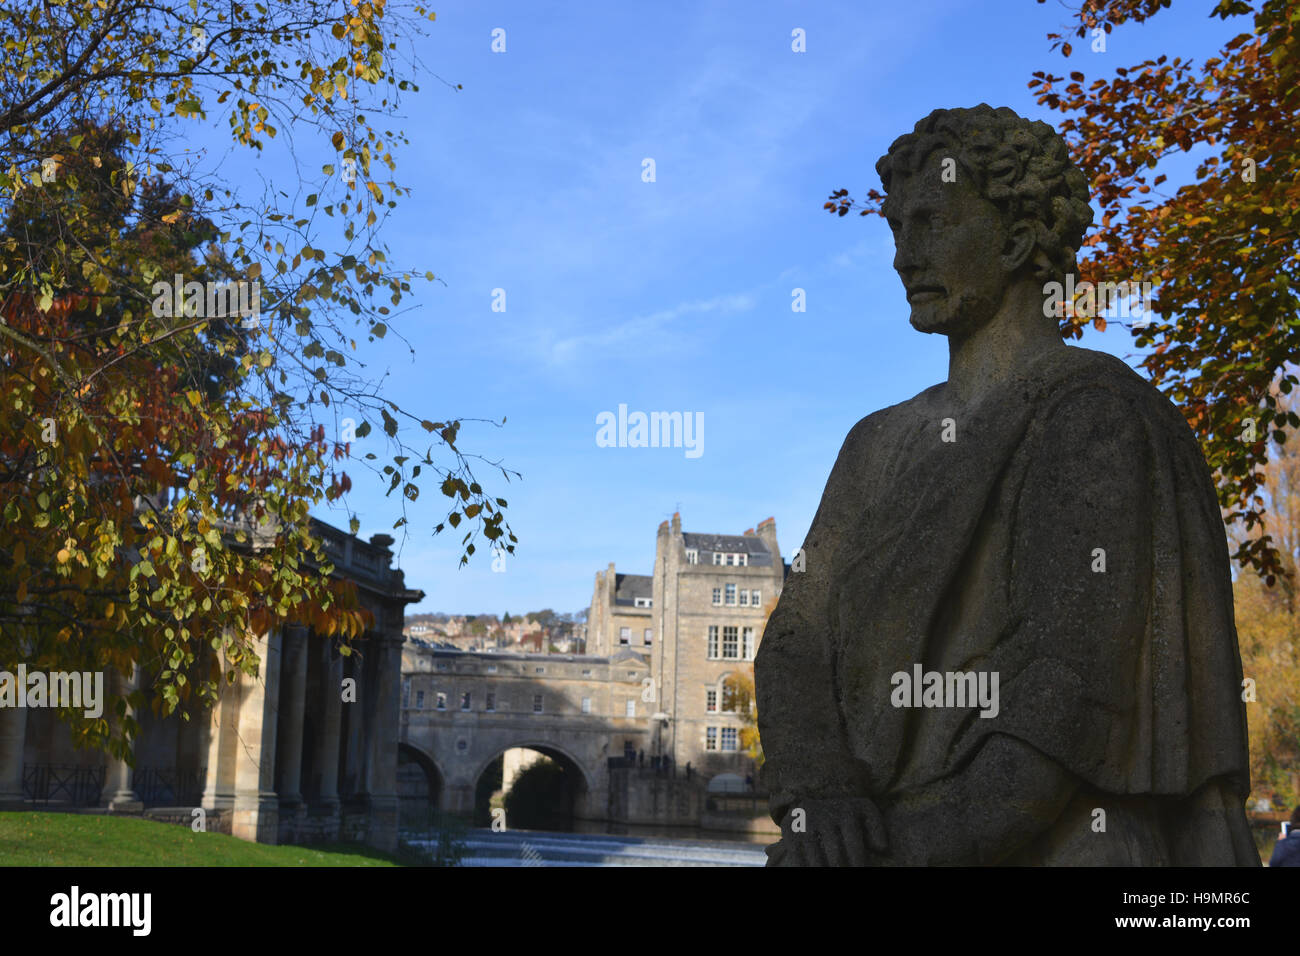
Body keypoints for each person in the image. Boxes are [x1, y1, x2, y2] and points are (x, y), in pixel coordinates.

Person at [755, 105, 1257, 867]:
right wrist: (819, 789)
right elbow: (795, 639)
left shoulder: (1094, 412)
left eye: (932, 224)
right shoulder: (874, 442)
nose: (903, 255)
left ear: (1019, 238)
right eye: (896, 229)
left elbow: (1069, 685)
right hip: (867, 834)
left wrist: (911, 847)